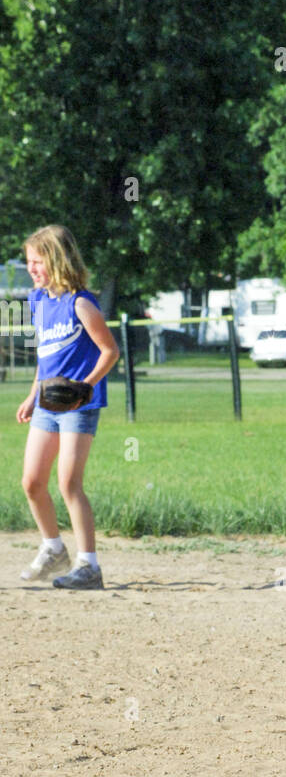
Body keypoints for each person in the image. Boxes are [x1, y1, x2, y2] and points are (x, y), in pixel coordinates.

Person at [16, 224, 119, 589]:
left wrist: (84, 387)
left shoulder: (81, 302)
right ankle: (53, 549)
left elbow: (110, 352)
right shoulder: (38, 301)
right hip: (46, 403)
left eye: (37, 261)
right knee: (32, 482)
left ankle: (89, 565)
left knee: (68, 483)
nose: (31, 268)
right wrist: (32, 395)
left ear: (57, 259)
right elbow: (45, 359)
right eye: (28, 261)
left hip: (78, 405)